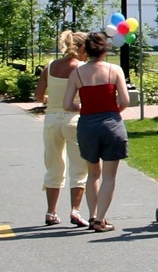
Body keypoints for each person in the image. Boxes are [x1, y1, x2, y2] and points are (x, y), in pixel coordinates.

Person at [63, 31, 129, 232]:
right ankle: (101, 218)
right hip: (111, 124)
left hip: (87, 126)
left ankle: (92, 216)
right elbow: (125, 101)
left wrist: (83, 109)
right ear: (105, 49)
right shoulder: (114, 70)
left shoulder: (77, 73)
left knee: (92, 174)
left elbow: (67, 104)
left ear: (86, 50)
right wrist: (113, 110)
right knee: (109, 176)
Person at [35, 31, 89, 227]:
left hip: (51, 119)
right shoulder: (82, 68)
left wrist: (51, 100)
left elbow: (39, 95)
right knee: (79, 167)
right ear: (81, 48)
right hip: (75, 118)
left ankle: (51, 211)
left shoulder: (50, 67)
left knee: (54, 165)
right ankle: (75, 210)